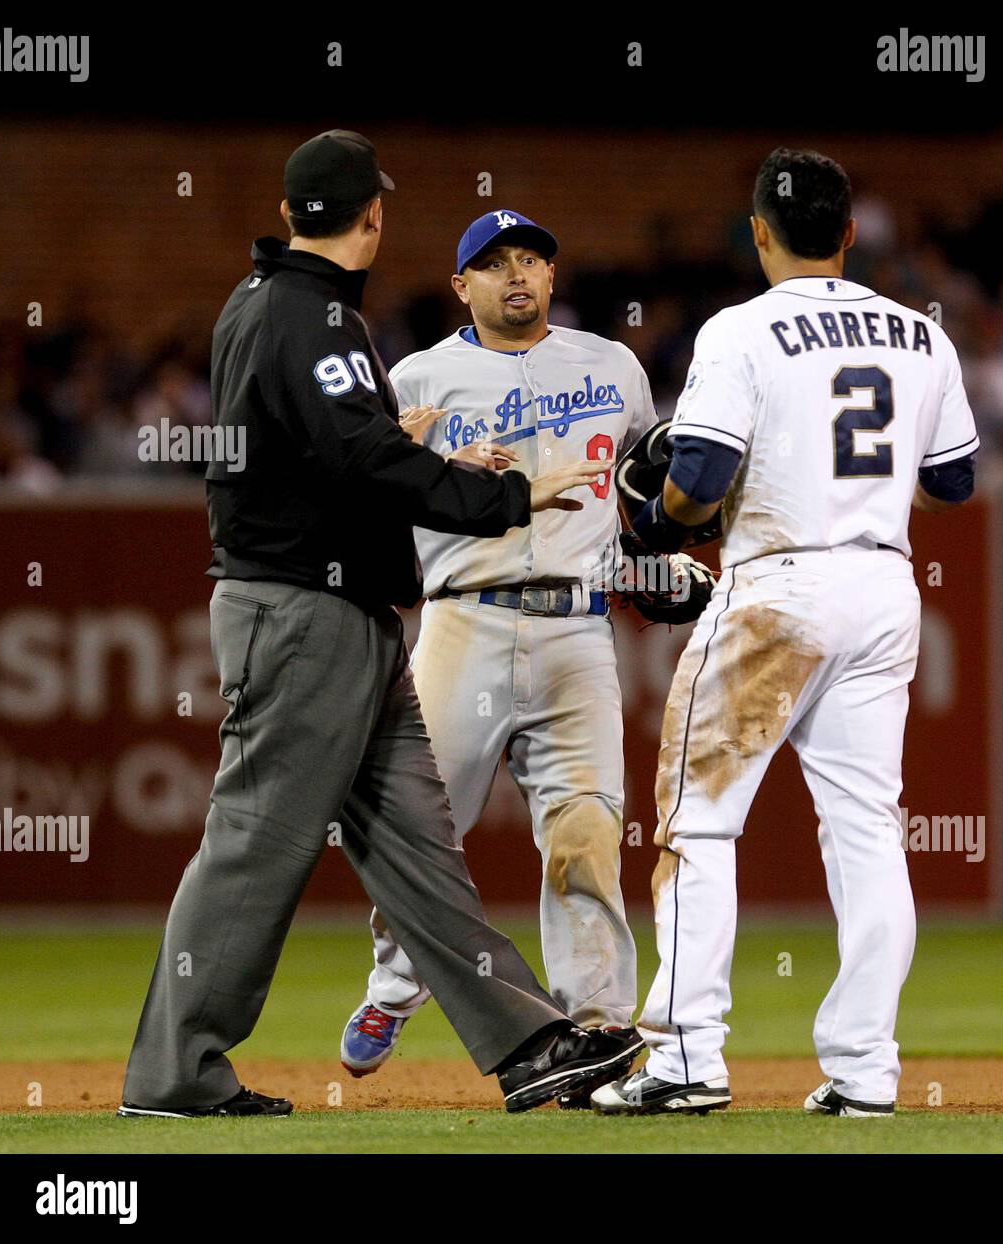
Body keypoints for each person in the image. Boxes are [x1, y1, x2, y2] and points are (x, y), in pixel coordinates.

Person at [118, 131, 633, 1119]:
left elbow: (318, 451)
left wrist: (396, 446)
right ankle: (176, 1071)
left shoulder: (253, 303)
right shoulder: (314, 315)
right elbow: (363, 461)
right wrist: (512, 494)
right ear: (374, 216)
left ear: (288, 214)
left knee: (415, 845)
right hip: (304, 609)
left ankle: (527, 1042)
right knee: (255, 839)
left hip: (340, 612)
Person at [592, 147, 979, 1116]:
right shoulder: (918, 335)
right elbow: (953, 482)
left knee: (697, 819)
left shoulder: (740, 330)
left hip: (778, 584)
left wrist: (653, 519)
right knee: (866, 832)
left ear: (757, 231)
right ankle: (865, 1069)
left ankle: (684, 1057)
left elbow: (702, 479)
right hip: (884, 586)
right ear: (849, 234)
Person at [339, 209, 660, 1106]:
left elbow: (641, 492)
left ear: (551, 279)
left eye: (533, 259)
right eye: (495, 264)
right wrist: (417, 450)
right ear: (462, 287)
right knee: (421, 832)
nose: (517, 274)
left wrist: (653, 557)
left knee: (588, 831)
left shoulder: (613, 366)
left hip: (579, 626)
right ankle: (394, 988)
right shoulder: (417, 377)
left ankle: (597, 1026)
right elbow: (370, 497)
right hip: (463, 621)